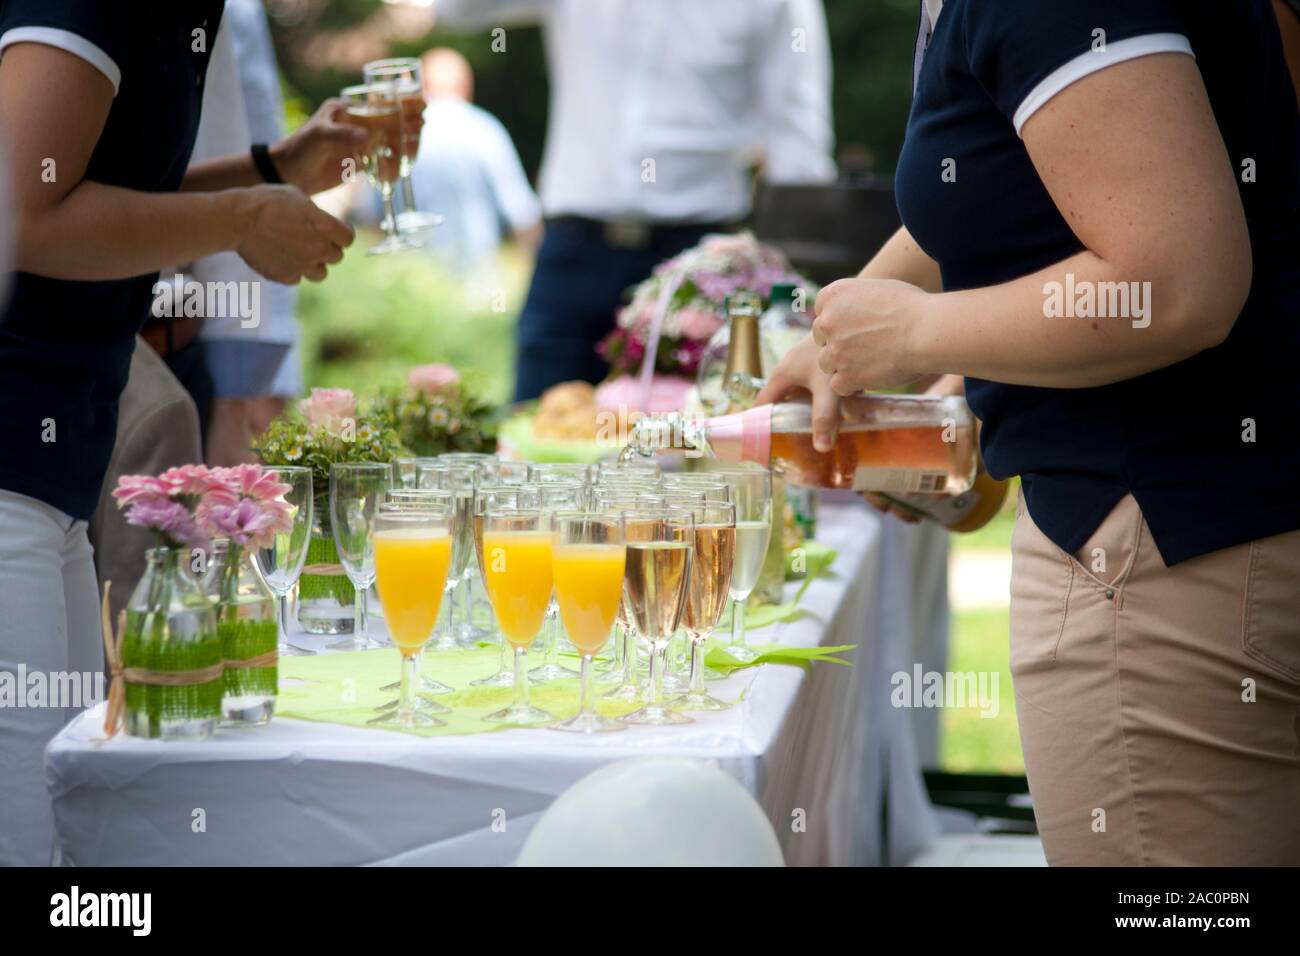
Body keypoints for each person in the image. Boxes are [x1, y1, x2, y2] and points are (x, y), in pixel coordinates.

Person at [758, 0, 1300, 865]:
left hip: (1160, 548)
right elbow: (1010, 181)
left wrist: (918, 335)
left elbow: (1180, 281)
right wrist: (845, 338)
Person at [0, 0, 360, 865]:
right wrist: (241, 218)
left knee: (77, 828)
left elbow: (90, 185)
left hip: (51, 467)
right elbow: (20, 207)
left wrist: (271, 171)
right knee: (34, 842)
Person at [433, 0, 835, 400]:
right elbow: (455, 10)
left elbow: (799, 147)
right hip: (574, 252)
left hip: (701, 265)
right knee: (537, 436)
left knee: (695, 450)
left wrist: (789, 300)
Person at [401, 47, 541, 281]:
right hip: (474, 290)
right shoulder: (485, 130)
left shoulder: (397, 136)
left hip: (407, 289)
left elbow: (370, 217)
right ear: (466, 87)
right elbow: (522, 215)